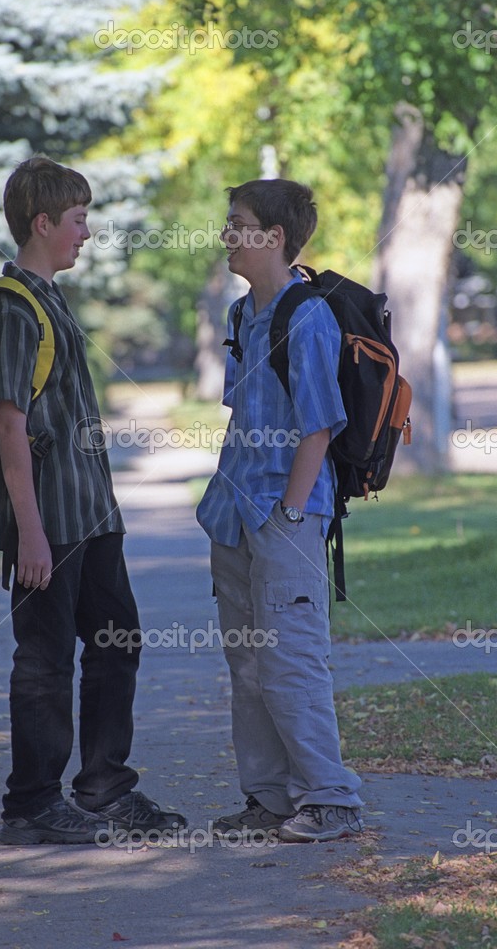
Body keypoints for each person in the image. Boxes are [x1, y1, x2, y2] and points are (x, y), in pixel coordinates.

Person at [0, 154, 186, 845]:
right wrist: (29, 533)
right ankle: (31, 803)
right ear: (42, 223)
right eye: (76, 219)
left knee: (116, 638)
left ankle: (101, 788)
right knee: (43, 659)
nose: (86, 232)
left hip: (91, 514)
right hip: (47, 520)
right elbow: (9, 422)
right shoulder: (9, 308)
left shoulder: (48, 297)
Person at [196, 179, 364, 843]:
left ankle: (332, 799)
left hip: (285, 517)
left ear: (273, 237)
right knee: (245, 664)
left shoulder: (307, 315)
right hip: (233, 513)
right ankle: (267, 799)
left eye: (237, 224)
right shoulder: (242, 316)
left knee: (290, 659)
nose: (225, 234)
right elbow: (246, 413)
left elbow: (317, 428)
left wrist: (292, 518)